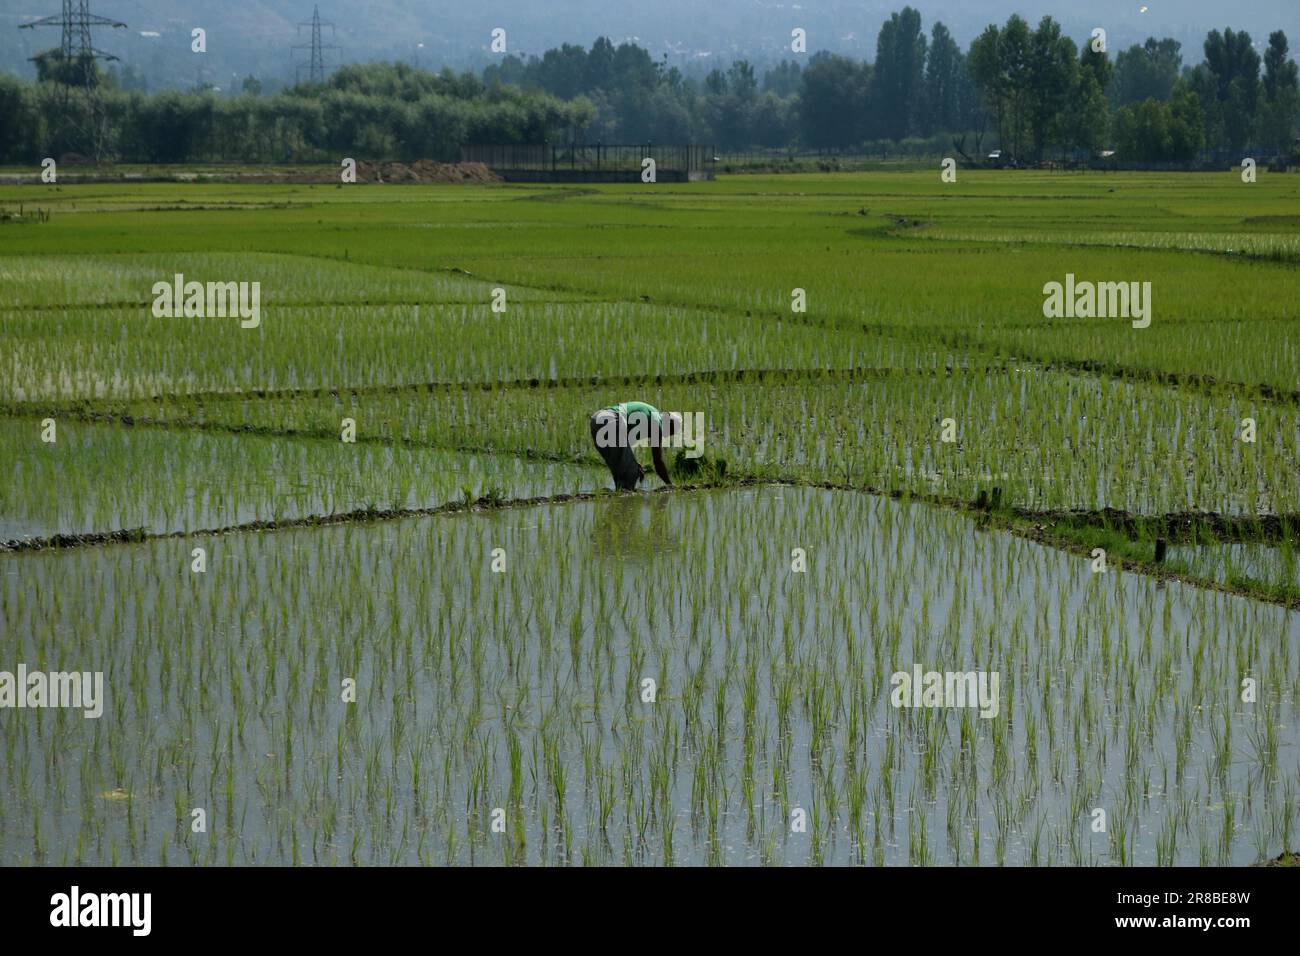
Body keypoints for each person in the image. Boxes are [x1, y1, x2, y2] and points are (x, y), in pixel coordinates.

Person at [589, 401, 680, 490]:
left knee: (620, 471)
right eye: (670, 431)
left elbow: (624, 446)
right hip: (612, 420)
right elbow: (658, 461)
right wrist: (670, 485)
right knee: (631, 472)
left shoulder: (651, 413)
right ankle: (625, 500)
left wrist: (634, 462)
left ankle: (618, 499)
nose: (666, 436)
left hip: (597, 420)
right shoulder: (657, 422)